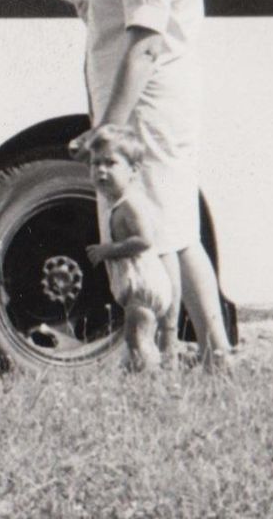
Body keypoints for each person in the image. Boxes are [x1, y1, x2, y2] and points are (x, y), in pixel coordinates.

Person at [69, 0, 233, 369]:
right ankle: (215, 350)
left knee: (154, 230)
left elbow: (144, 42)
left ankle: (164, 354)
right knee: (177, 228)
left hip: (147, 108)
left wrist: (108, 130)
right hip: (165, 102)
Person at [83, 125, 181, 373]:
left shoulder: (131, 205)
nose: (101, 171)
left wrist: (109, 250)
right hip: (138, 284)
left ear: (134, 170)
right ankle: (140, 373)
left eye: (110, 163)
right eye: (96, 164)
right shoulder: (118, 203)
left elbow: (145, 241)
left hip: (143, 284)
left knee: (139, 336)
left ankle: (153, 379)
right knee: (134, 336)